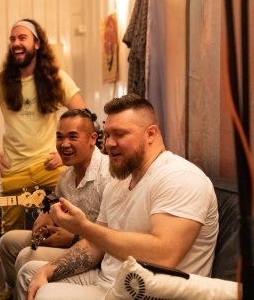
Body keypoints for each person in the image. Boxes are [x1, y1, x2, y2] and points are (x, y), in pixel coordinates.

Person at [17, 93, 219, 300]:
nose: (109, 144)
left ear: (151, 134)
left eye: (120, 134)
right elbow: (96, 243)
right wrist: (49, 270)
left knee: (47, 295)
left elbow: (164, 256)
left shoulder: (180, 177)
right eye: (108, 135)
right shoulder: (119, 182)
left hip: (147, 292)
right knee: (31, 272)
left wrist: (83, 227)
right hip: (108, 279)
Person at [0, 18, 87, 234]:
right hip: (13, 169)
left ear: (37, 44)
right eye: (12, 39)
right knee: (10, 232)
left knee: (68, 223)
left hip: (50, 166)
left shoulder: (56, 78)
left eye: (22, 38)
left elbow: (83, 117)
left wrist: (63, 153)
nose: (16, 43)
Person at [0, 108, 112, 300]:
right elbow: (54, 204)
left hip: (92, 251)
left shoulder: (107, 174)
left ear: (93, 138)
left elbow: (110, 234)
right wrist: (46, 217)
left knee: (27, 257)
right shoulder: (66, 174)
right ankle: (11, 293)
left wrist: (73, 238)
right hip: (65, 241)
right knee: (7, 242)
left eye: (72, 137)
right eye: (59, 137)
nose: (64, 144)